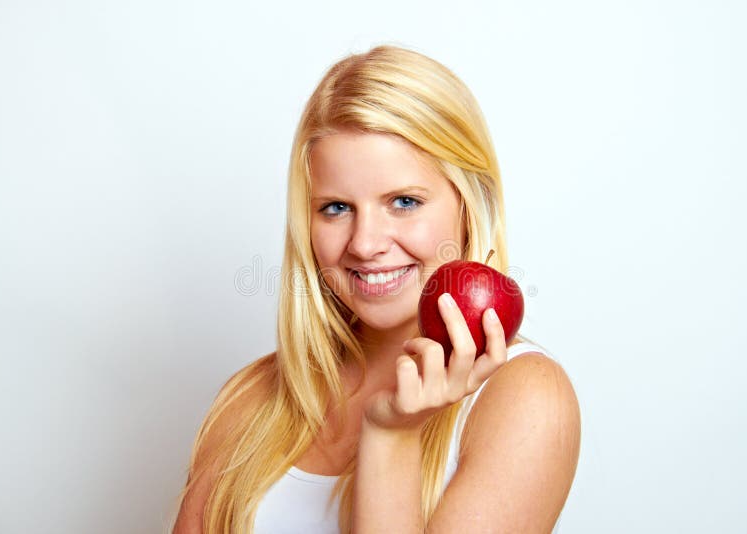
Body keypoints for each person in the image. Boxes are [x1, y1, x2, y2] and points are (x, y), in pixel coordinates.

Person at [171, 44, 581, 534]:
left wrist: (391, 436)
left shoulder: (523, 398)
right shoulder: (252, 400)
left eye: (404, 201)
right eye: (336, 208)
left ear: (468, 207)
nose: (365, 244)